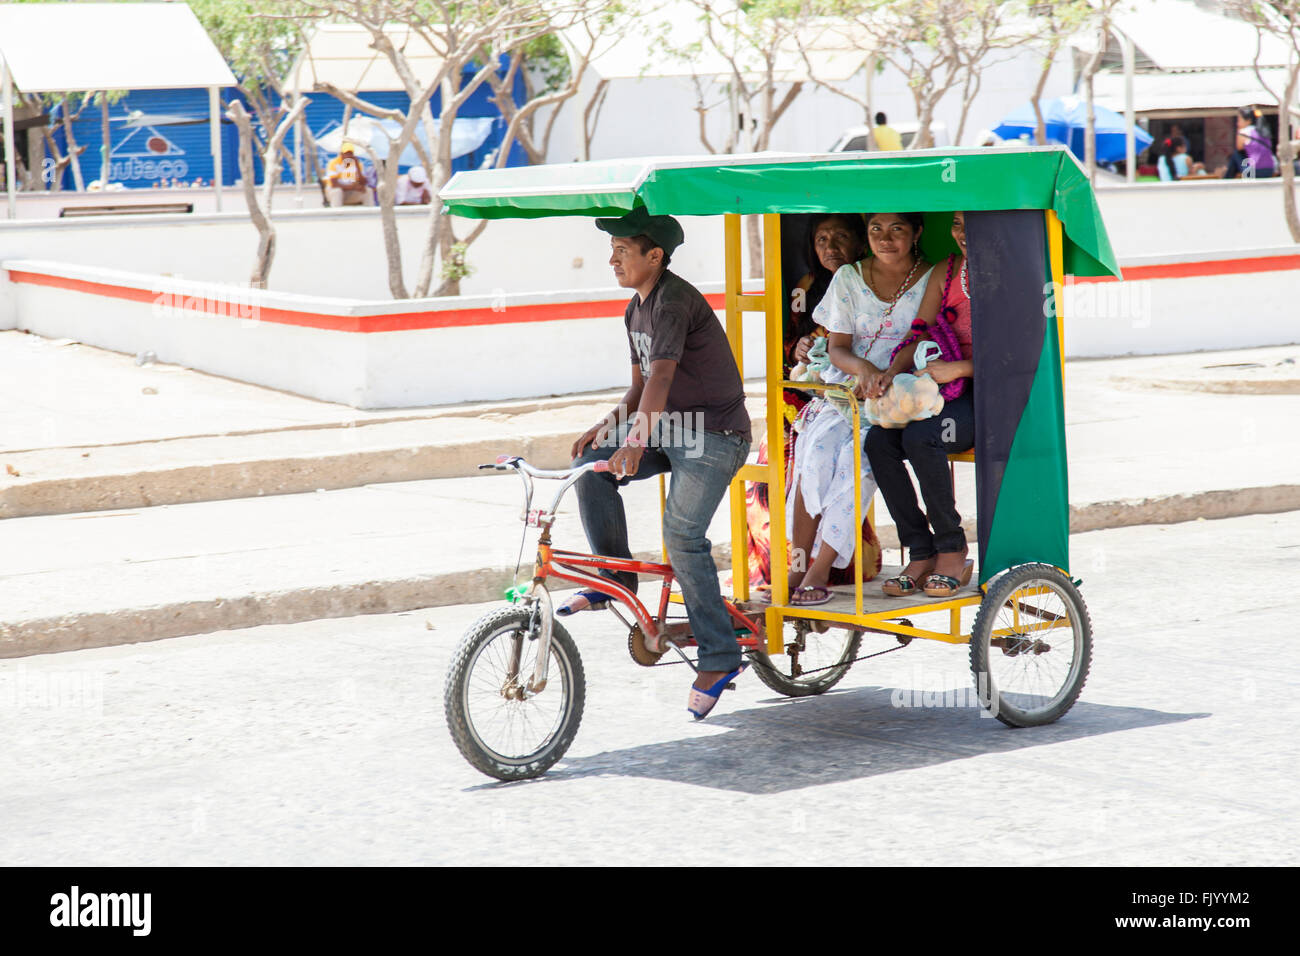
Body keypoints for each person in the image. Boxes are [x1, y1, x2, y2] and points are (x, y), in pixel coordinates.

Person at [563, 207, 752, 719]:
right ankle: (617, 578)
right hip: (672, 429)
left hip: (716, 435)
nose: (612, 260)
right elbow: (640, 388)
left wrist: (636, 439)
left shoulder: (672, 302)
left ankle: (719, 656)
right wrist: (605, 430)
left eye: (623, 250)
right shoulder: (634, 309)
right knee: (591, 468)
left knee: (682, 536)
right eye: (613, 250)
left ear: (655, 256)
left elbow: (662, 380)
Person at [785, 213, 932, 602]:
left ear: (916, 232)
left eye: (897, 229)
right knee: (814, 455)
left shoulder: (932, 277)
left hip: (898, 398)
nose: (885, 239)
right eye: (876, 230)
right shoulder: (848, 276)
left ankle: (820, 570)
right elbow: (836, 347)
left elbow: (922, 339)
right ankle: (797, 566)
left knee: (858, 465)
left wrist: (886, 376)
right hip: (845, 390)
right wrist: (865, 372)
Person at [745, 213, 882, 590]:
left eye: (840, 237)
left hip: (856, 401)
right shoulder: (808, 286)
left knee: (837, 467)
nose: (830, 248)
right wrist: (800, 347)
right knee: (772, 472)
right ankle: (783, 566)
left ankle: (831, 569)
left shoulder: (873, 281)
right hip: (807, 400)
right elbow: (790, 346)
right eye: (822, 240)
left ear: (860, 241)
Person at [866, 211, 975, 599]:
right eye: (958, 224)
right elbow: (921, 332)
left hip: (987, 395)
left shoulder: (1007, 271)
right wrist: (890, 374)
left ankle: (952, 548)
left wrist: (959, 368)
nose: (963, 233)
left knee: (921, 437)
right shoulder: (947, 269)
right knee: (878, 441)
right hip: (938, 388)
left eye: (972, 223)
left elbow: (1019, 354)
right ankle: (921, 549)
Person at [1222, 108, 1277, 179]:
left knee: (1236, 154)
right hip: (1269, 169)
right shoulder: (1264, 132)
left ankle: (1227, 179)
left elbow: (1239, 147)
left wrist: (1238, 130)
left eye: (1239, 120)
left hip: (1254, 171)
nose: (1237, 123)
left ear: (1248, 121)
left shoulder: (1243, 132)